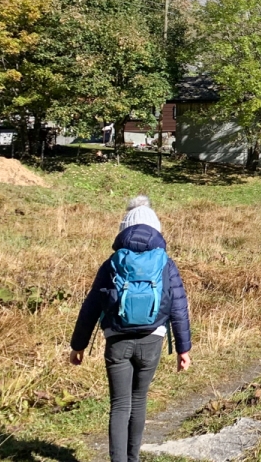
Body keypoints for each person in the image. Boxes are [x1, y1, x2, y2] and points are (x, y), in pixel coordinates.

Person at [69, 195, 192, 462]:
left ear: (124, 229)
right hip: (153, 339)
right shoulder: (166, 263)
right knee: (139, 400)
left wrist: (78, 345)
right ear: (156, 229)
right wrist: (184, 349)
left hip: (117, 340)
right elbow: (178, 307)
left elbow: (91, 305)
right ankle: (133, 458)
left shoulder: (113, 262)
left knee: (119, 405)